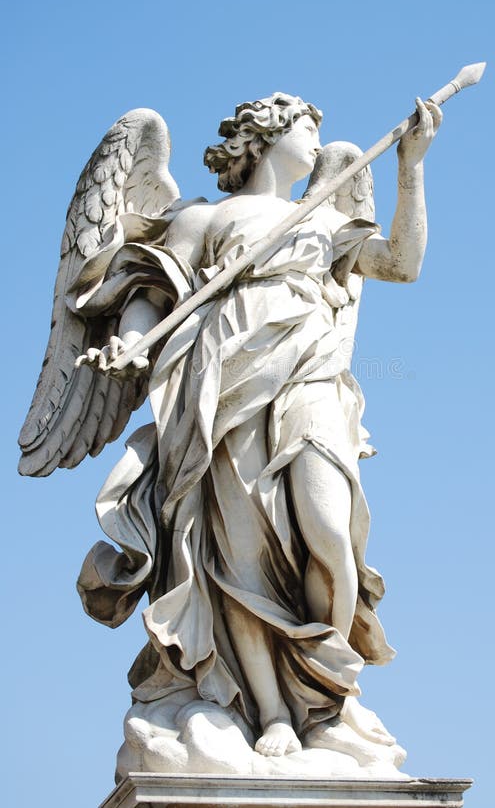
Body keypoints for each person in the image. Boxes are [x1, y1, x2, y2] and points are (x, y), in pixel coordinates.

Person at [74, 92, 442, 759]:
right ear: (265, 136)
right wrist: (127, 343)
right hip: (224, 380)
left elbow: (401, 264)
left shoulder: (323, 213)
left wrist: (410, 167)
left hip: (308, 375)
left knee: (329, 532)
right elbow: (155, 290)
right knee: (238, 553)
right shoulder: (208, 217)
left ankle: (326, 693)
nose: (318, 136)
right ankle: (273, 712)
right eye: (308, 123)